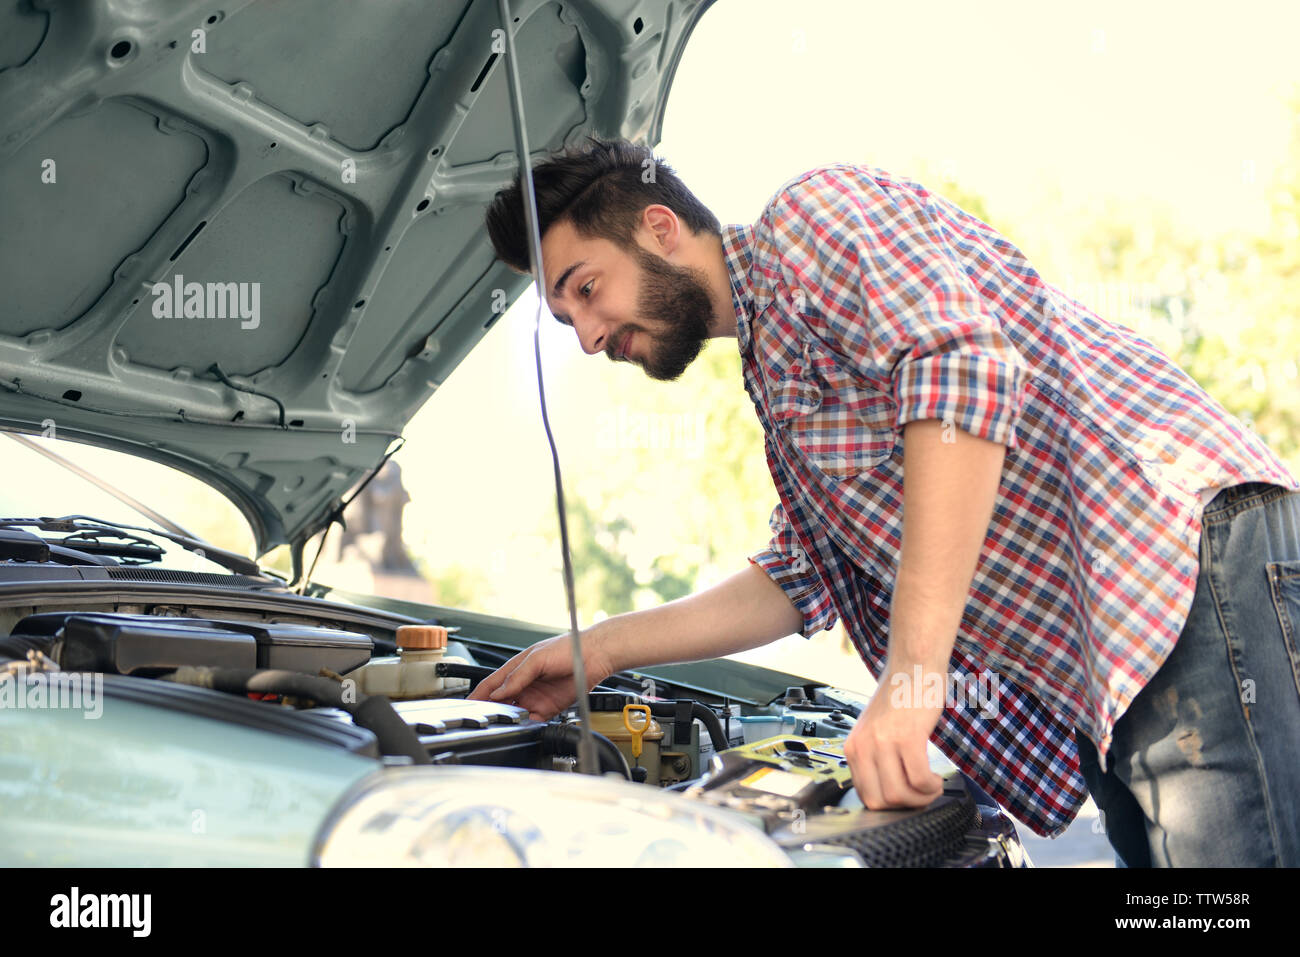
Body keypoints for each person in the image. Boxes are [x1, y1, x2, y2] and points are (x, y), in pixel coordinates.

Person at [469, 137, 1300, 867]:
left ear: (659, 229)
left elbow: (961, 370)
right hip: (1107, 658)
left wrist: (909, 685)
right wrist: (601, 647)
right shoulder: (777, 378)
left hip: (1178, 570)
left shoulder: (811, 219)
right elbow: (802, 578)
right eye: (563, 315)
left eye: (585, 288)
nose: (585, 336)